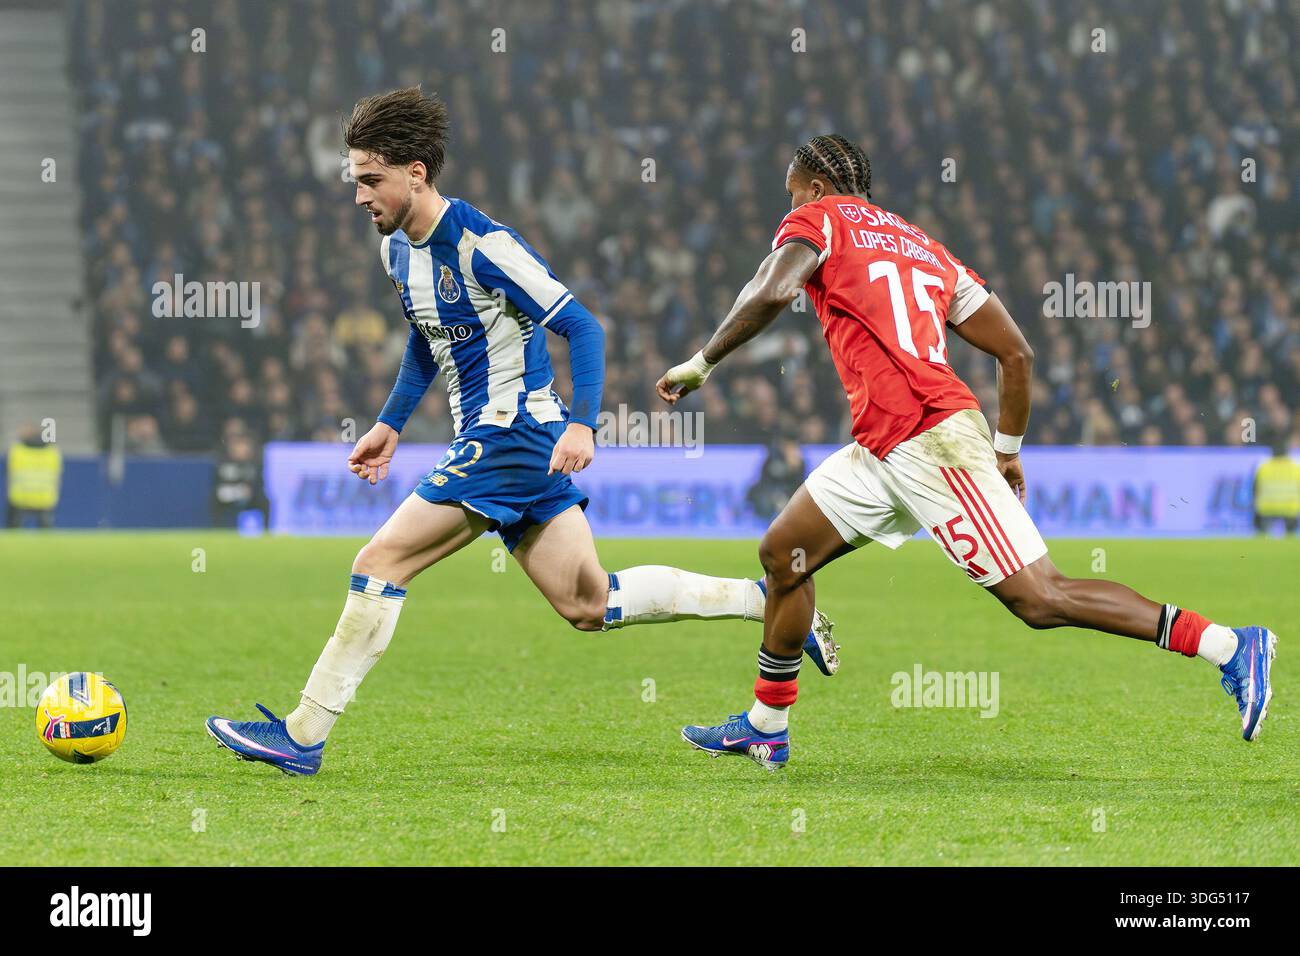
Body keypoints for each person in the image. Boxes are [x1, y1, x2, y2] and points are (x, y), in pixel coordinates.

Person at [205, 89, 837, 776]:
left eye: (370, 179)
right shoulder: (396, 252)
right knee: (589, 602)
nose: (359, 196)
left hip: (509, 437)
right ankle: (768, 603)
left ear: (416, 172)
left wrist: (583, 425)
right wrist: (389, 423)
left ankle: (301, 736)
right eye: (355, 179)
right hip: (507, 444)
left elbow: (582, 325)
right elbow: (428, 340)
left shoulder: (483, 245)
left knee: (379, 563)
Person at [657, 134, 1277, 770]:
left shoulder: (818, 219)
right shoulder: (923, 245)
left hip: (928, 440)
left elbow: (770, 291)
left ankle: (1230, 646)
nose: (786, 203)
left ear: (814, 188)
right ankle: (767, 725)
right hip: (884, 446)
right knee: (783, 556)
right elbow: (1016, 352)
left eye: (790, 190)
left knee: (1041, 599)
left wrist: (702, 363)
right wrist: (1007, 449)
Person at [5, 423, 62, 529]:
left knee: (12, 527)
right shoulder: (52, 451)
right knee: (46, 528)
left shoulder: (16, 451)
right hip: (45, 497)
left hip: (20, 497)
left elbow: (8, 470)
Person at [1252, 437, 1300, 534]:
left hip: (1266, 508)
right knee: (1291, 534)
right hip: (1289, 508)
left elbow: (1255, 489)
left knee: (1260, 530)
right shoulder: (1295, 468)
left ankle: (1261, 538)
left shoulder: (1263, 467)